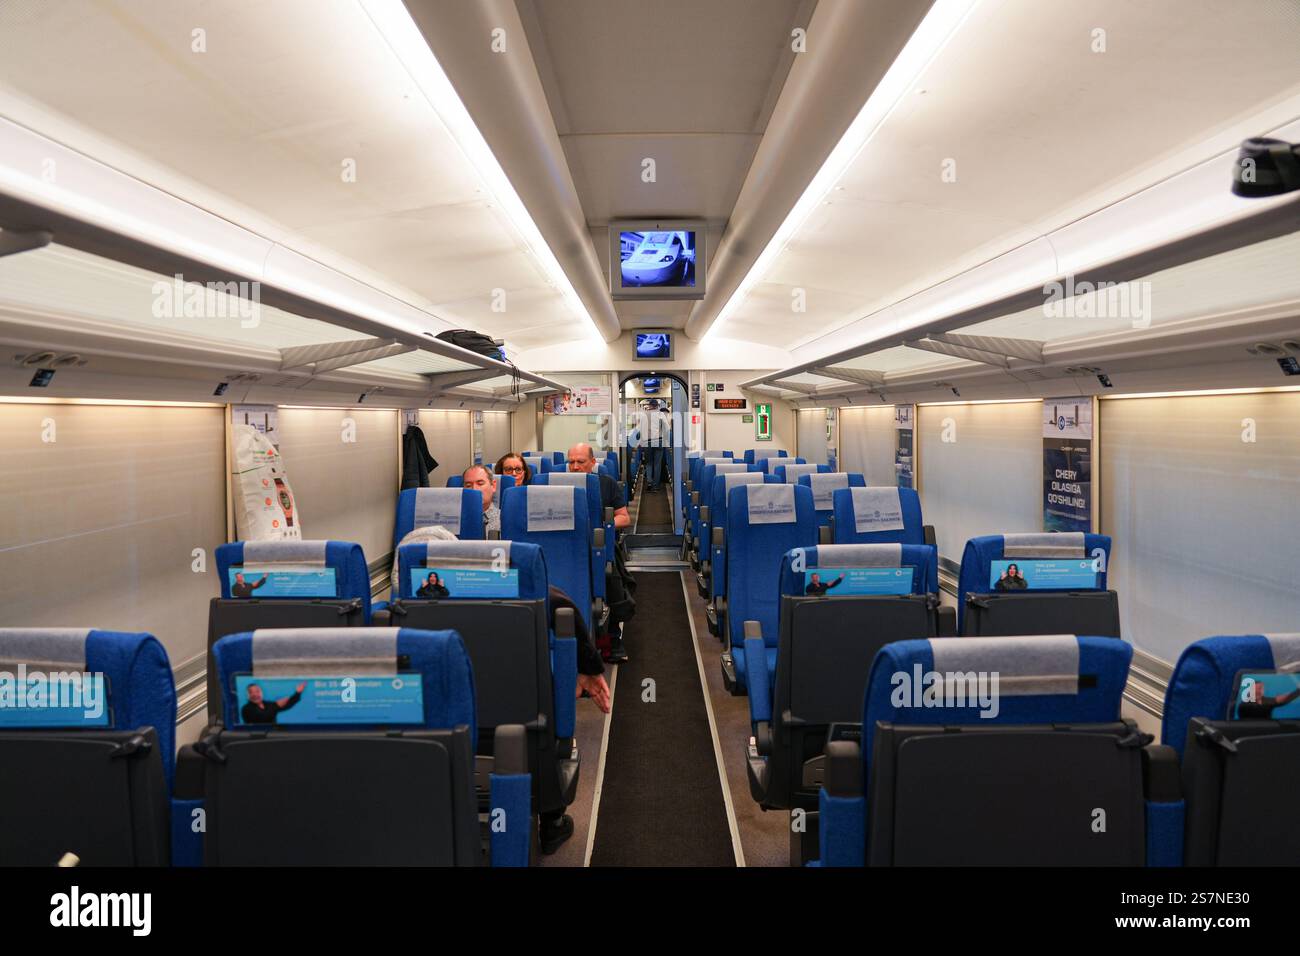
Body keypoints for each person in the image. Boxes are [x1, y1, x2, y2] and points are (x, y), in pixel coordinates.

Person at [540, 583, 611, 854]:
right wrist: (587, 667)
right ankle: (551, 822)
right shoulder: (502, 583)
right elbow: (562, 606)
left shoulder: (403, 621)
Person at [568, 442, 633, 663]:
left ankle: (612, 639)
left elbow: (625, 517)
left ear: (593, 463)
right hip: (568, 549)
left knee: (611, 579)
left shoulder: (606, 484)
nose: (575, 467)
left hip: (599, 547)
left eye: (581, 462)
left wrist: (603, 526)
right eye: (571, 462)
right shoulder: (559, 488)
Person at [241, 681, 306, 725]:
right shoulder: (246, 709)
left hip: (272, 735)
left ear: (261, 693)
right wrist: (276, 706)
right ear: (248, 696)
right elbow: (262, 718)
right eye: (251, 692)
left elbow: (288, 704)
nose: (255, 694)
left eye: (257, 691)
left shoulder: (269, 705)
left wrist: (297, 693)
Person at [462, 463, 499, 534]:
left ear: (493, 486)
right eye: (468, 485)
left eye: (480, 484)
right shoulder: (455, 520)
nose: (474, 489)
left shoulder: (506, 520)